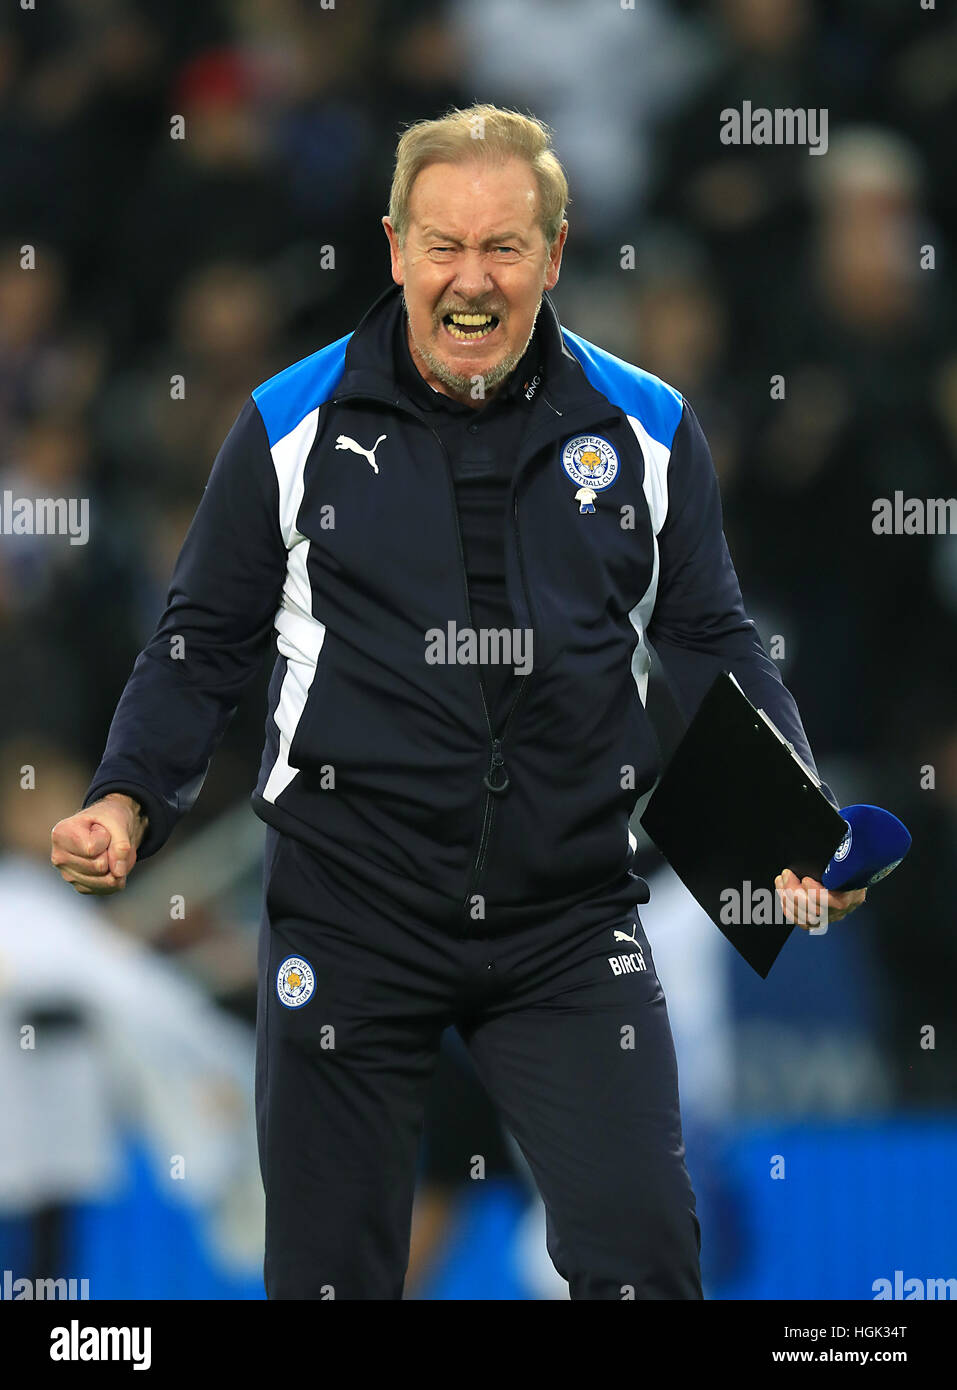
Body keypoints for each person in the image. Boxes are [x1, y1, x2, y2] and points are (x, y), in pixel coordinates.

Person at [51, 104, 865, 1300]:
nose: (470, 280)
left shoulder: (647, 431)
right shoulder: (287, 425)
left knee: (645, 1258)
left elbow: (707, 641)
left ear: (554, 251)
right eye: (443, 246)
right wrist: (128, 797)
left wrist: (792, 832)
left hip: (570, 920)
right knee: (330, 1279)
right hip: (348, 911)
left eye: (502, 247)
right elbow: (201, 642)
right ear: (394, 247)